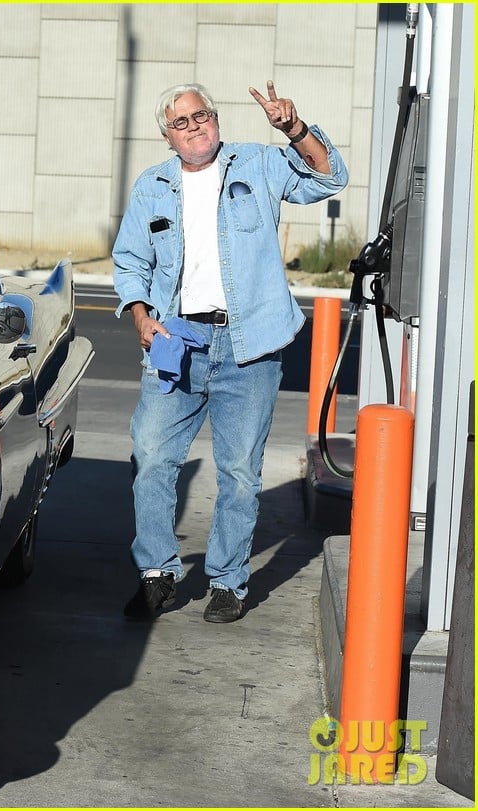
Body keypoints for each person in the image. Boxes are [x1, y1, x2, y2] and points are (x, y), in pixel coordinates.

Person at [113, 81, 348, 623]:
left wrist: (294, 129)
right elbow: (130, 261)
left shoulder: (259, 164)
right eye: (182, 122)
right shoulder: (152, 186)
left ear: (216, 120)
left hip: (250, 346)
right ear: (167, 136)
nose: (196, 127)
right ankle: (157, 575)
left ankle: (228, 582)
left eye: (203, 116)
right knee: (150, 456)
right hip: (176, 342)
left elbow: (328, 177)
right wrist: (142, 316)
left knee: (239, 471)